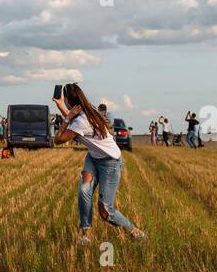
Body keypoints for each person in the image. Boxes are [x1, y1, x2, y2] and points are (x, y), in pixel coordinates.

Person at [53, 83, 147, 245]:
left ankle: (135, 232)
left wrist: (66, 117)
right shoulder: (87, 109)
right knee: (84, 191)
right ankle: (85, 236)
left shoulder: (80, 120)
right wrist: (61, 105)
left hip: (110, 163)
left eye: (65, 99)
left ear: (70, 100)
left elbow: (58, 139)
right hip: (93, 158)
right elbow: (74, 121)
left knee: (105, 211)